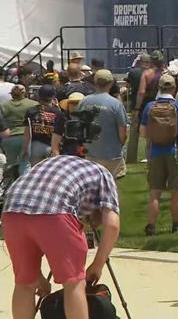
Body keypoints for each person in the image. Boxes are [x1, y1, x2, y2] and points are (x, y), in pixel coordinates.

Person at [1, 155, 120, 319]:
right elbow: (112, 224)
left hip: (12, 211)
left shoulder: (58, 163)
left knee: (24, 283)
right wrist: (98, 264)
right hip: (56, 212)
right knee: (74, 284)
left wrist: (38, 277)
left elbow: (33, 219)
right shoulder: (103, 174)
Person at [140, 74, 178, 236]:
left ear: (159, 88)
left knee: (155, 192)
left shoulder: (149, 107)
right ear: (174, 88)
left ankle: (151, 226)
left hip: (155, 152)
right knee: (175, 192)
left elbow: (143, 133)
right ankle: (176, 225)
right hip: (175, 152)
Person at [78, 70, 129, 179]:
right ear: (111, 83)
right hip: (111, 154)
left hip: (90, 153)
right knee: (110, 186)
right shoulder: (115, 104)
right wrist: (121, 145)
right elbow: (122, 132)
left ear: (95, 82)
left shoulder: (83, 102)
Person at [21, 85, 61, 170]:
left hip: (36, 146)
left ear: (39, 96)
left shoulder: (31, 111)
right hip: (51, 146)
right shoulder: (57, 113)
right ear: (53, 96)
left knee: (35, 173)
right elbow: (58, 133)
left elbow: (27, 133)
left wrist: (24, 149)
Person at [1, 85, 38, 169]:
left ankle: (8, 181)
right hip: (26, 136)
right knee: (25, 163)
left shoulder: (3, 105)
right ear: (24, 93)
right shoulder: (33, 104)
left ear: (11, 94)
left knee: (10, 163)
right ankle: (23, 181)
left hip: (9, 137)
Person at [126, 52, 151, 163]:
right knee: (150, 132)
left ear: (140, 62)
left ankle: (131, 158)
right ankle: (150, 156)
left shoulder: (134, 72)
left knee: (134, 132)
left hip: (137, 104)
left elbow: (129, 78)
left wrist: (134, 62)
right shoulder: (152, 73)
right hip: (150, 104)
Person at [134, 50, 167, 120]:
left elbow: (141, 92)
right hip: (166, 104)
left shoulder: (147, 74)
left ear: (151, 61)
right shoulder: (167, 72)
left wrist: (137, 108)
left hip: (150, 104)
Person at [52, 92, 86, 158]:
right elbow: (55, 142)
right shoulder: (62, 119)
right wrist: (56, 156)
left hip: (84, 155)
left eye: (77, 103)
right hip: (66, 155)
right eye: (72, 103)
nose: (74, 106)